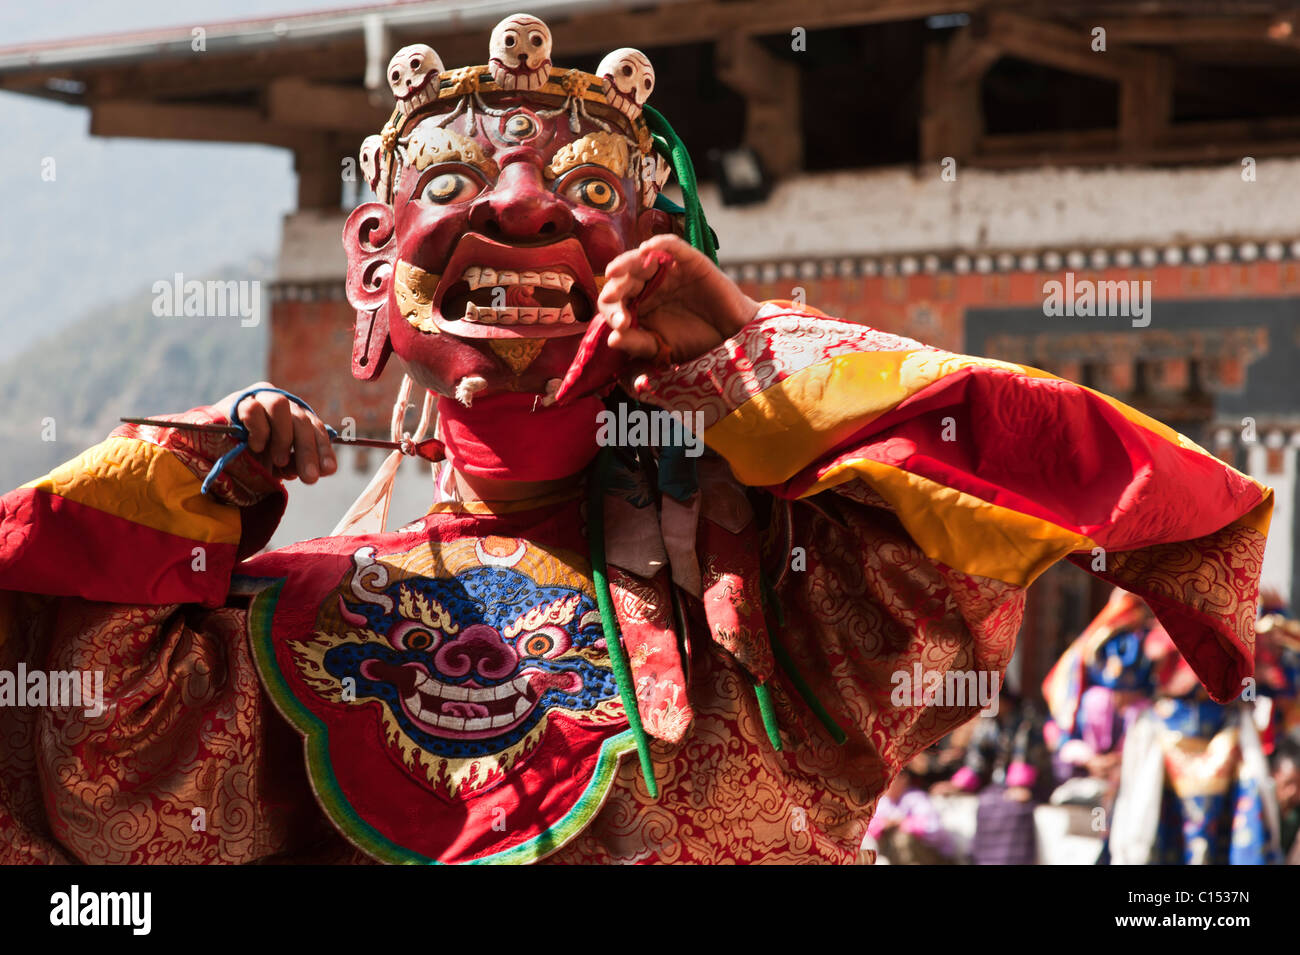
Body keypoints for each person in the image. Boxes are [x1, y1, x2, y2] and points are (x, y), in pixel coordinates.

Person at [0, 13, 1273, 865]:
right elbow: (83, 769)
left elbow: (1045, 466)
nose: (519, 203)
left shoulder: (782, 609)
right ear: (373, 270)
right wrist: (189, 471)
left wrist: (746, 357)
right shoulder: (272, 631)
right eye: (450, 184)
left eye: (592, 189)